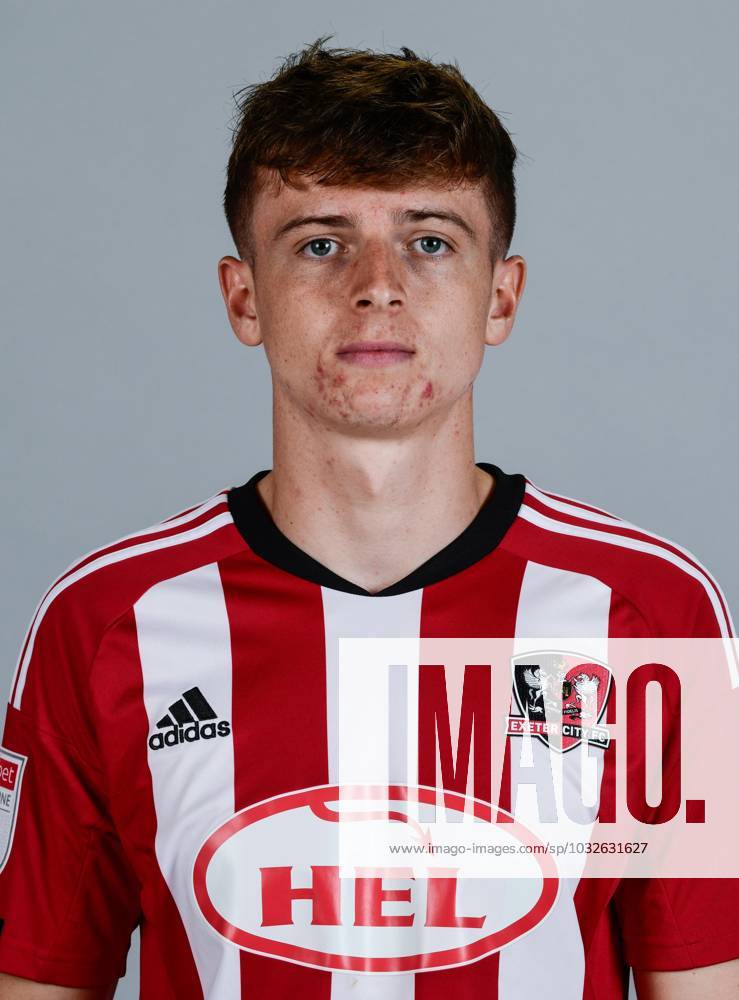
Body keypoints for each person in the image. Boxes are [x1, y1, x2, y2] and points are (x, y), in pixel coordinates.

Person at [0, 36, 737, 1000]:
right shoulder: (105, 623)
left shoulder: (652, 614)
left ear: (500, 298)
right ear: (244, 298)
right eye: (321, 243)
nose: (376, 283)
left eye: (430, 241)